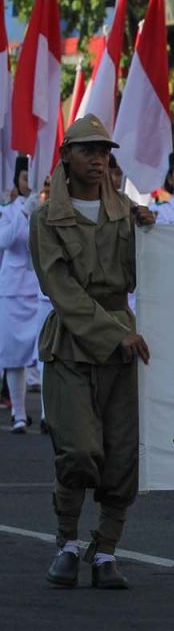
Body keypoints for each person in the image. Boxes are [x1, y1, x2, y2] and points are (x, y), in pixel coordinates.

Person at [29, 114, 156, 590]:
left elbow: (148, 275)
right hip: (72, 342)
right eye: (88, 151)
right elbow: (60, 288)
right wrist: (111, 334)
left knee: (123, 457)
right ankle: (66, 542)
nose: (99, 159)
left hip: (124, 341)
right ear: (66, 157)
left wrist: (151, 236)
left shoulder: (127, 213)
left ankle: (105, 549)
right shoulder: (47, 218)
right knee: (79, 450)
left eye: (105, 152)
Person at [0, 156, 37, 433]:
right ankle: (20, 414)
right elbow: (6, 241)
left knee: (46, 356)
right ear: (17, 180)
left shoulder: (48, 209)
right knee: (14, 355)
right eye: (26, 178)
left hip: (41, 291)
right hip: (13, 290)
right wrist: (24, 212)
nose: (30, 183)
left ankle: (49, 415)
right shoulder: (8, 210)